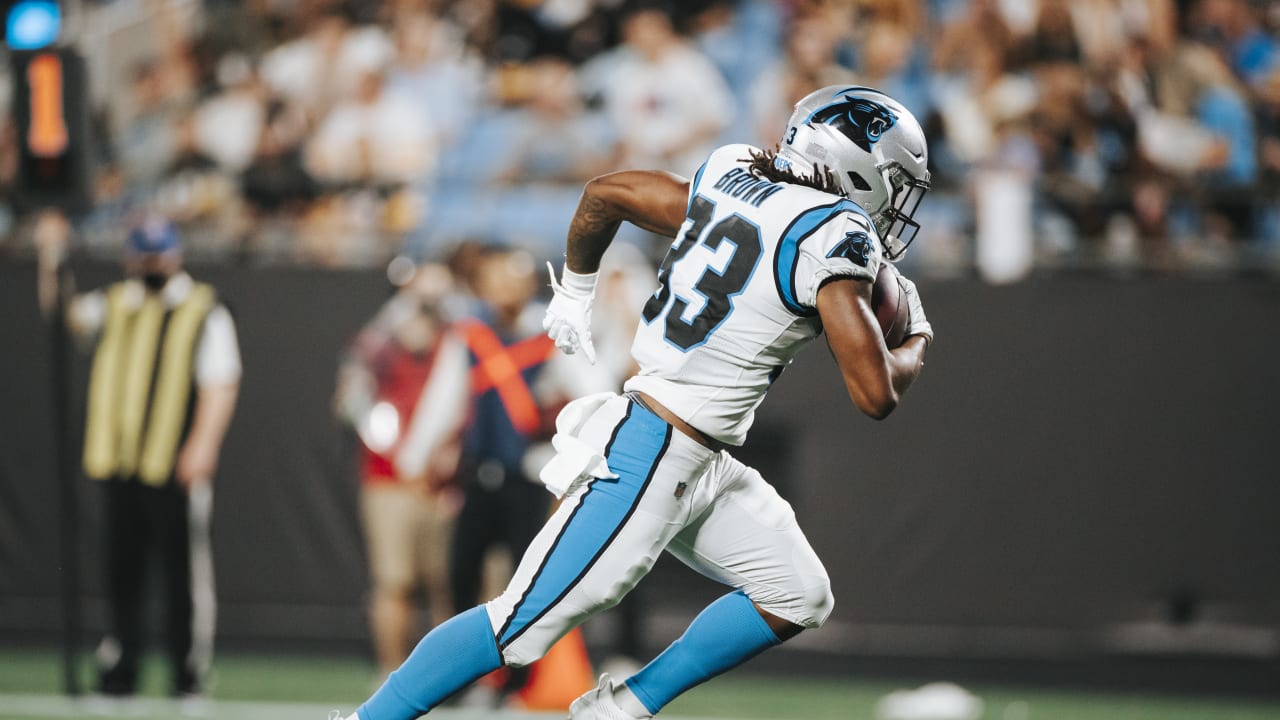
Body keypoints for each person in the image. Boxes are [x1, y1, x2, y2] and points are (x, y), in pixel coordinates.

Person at [338, 85, 933, 720]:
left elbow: (606, 192)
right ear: (852, 162)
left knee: (798, 593)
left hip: (700, 456)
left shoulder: (735, 171)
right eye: (894, 180)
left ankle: (621, 707)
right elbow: (876, 394)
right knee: (514, 624)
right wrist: (918, 335)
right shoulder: (836, 231)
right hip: (654, 451)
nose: (896, 201)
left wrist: (575, 290)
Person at [37, 215, 241, 699]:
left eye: (159, 255)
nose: (151, 264)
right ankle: (122, 665)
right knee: (121, 571)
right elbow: (64, 314)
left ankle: (187, 671)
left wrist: (202, 444)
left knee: (181, 574)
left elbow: (220, 382)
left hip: (173, 462)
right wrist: (50, 258)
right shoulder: (116, 303)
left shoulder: (203, 308)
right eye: (144, 255)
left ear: (175, 255)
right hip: (120, 460)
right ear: (132, 257)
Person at [334, 263, 470, 680]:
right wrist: (389, 444)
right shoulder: (377, 343)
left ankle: (450, 677)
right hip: (389, 480)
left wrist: (453, 453)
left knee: (449, 585)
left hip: (444, 484)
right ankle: (392, 670)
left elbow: (473, 406)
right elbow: (347, 401)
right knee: (394, 581)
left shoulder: (461, 343)